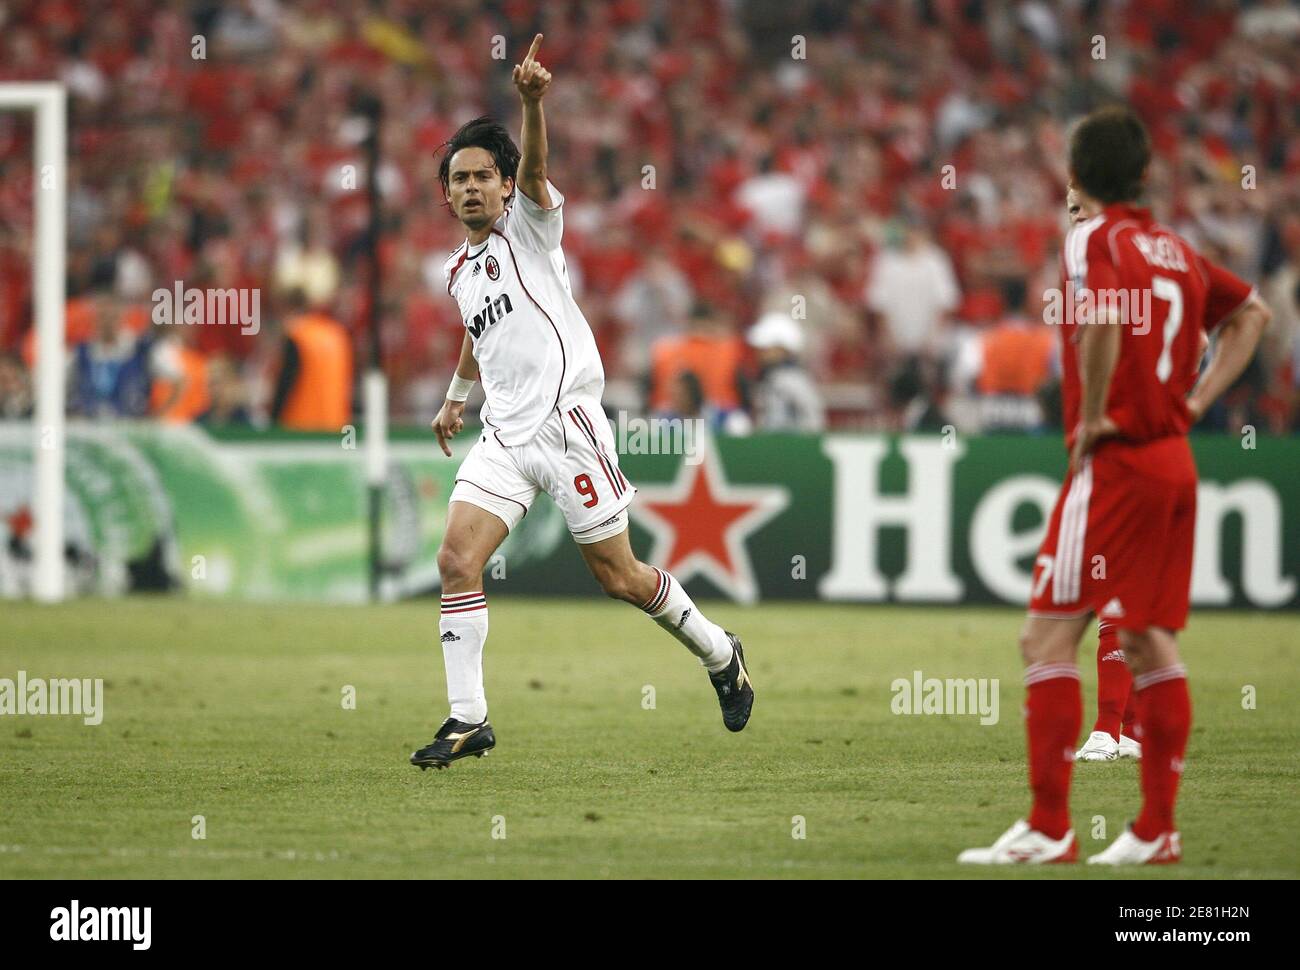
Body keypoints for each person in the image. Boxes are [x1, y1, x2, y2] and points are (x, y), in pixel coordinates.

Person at [413, 36, 753, 771]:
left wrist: (533, 104)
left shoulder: (531, 228)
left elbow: (536, 164)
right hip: (503, 435)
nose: (472, 188)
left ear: (506, 187)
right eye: (458, 179)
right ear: (446, 194)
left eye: (483, 177)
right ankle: (468, 719)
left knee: (620, 579)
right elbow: (480, 332)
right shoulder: (459, 270)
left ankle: (720, 651)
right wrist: (455, 398)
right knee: (455, 561)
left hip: (567, 427)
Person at [959, 107, 1269, 865]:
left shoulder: (1089, 240)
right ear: (1142, 174)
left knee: (1046, 633)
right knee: (1146, 636)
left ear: (1078, 175)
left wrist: (1091, 416)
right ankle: (1157, 828)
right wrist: (1199, 400)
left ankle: (1049, 824)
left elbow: (1097, 322)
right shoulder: (1173, 250)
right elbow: (1252, 314)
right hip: (1174, 459)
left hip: (1120, 459)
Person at [746, 311, 825, 431]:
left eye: (767, 348)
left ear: (783, 349)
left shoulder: (793, 379)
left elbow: (812, 419)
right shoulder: (769, 378)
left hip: (791, 446)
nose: (761, 352)